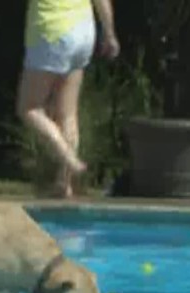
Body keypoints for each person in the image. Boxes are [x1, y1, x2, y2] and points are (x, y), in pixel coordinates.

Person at [16, 0, 120, 199]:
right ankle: (64, 183)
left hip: (51, 31)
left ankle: (67, 155)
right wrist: (109, 33)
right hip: (83, 30)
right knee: (68, 114)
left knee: (29, 108)